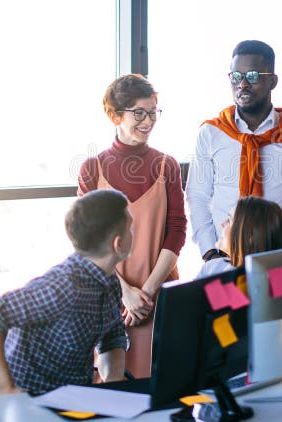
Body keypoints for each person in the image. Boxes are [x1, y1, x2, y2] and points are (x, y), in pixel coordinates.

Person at [0, 190, 132, 395]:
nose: (133, 234)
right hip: (35, 399)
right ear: (118, 244)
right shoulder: (63, 287)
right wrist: (5, 389)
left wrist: (114, 384)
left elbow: (112, 336)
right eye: (131, 229)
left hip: (74, 395)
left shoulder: (109, 282)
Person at [77, 74, 186, 379]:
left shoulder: (168, 165)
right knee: (112, 389)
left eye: (153, 112)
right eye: (139, 113)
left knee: (164, 385)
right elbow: (87, 244)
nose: (148, 121)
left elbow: (177, 231)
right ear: (114, 115)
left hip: (160, 294)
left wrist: (148, 292)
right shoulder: (92, 169)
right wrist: (125, 293)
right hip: (110, 298)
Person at [186, 40, 282, 264]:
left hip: (276, 255)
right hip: (221, 256)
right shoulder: (211, 132)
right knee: (222, 300)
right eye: (236, 76)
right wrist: (209, 253)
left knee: (275, 300)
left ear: (272, 81)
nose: (242, 84)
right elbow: (198, 196)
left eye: (252, 76)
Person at [196, 195, 282, 278]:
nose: (222, 224)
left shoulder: (276, 282)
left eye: (229, 221)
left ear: (250, 237)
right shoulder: (211, 268)